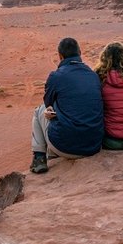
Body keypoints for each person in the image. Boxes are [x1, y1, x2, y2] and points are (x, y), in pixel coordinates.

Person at [30, 38, 103, 174]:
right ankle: (52, 154)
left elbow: (48, 103)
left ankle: (39, 158)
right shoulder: (93, 76)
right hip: (93, 146)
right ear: (80, 53)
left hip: (66, 147)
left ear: (60, 56)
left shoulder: (56, 76)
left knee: (40, 110)